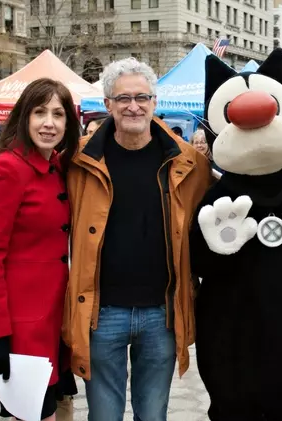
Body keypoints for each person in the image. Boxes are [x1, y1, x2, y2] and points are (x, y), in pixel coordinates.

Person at [63, 57, 212, 421]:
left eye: (142, 97)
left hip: (161, 314)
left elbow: (219, 210)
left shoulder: (189, 162)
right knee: (103, 415)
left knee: (153, 414)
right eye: (123, 98)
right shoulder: (78, 161)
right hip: (101, 313)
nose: (134, 106)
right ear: (108, 104)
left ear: (154, 102)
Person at [0, 78, 80, 420]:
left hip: (54, 319)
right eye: (40, 112)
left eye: (58, 114)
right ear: (24, 117)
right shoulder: (7, 169)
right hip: (21, 325)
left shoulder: (57, 166)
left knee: (58, 408)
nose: (49, 123)